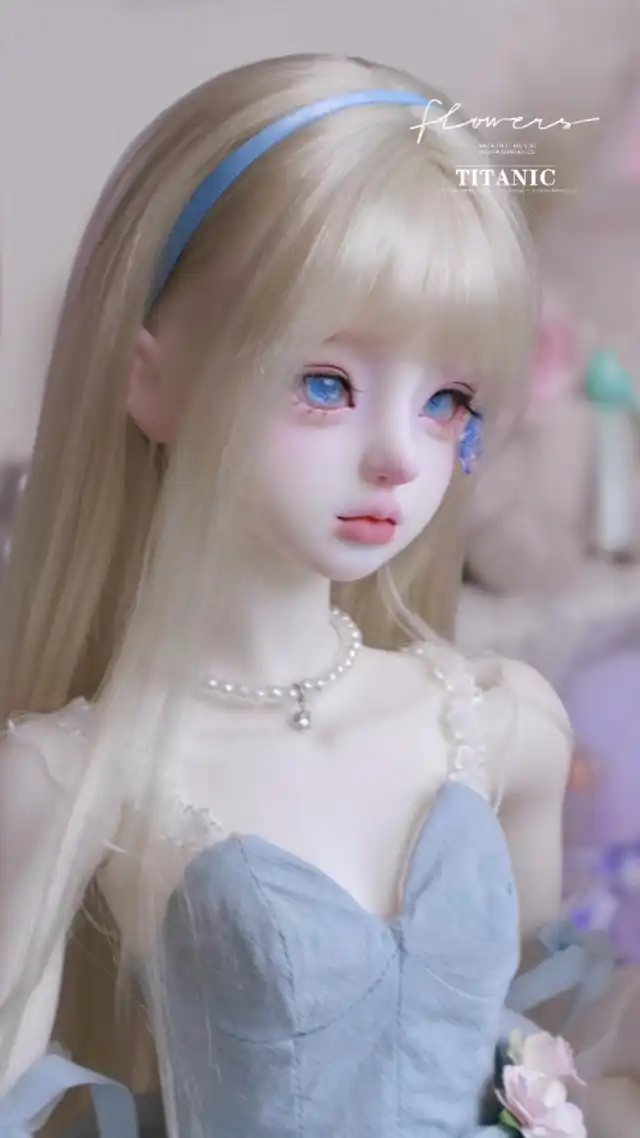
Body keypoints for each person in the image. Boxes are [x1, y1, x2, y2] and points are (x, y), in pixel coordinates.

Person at [0, 52, 629, 1138]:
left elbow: (532, 1040)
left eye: (447, 400)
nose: (398, 457)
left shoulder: (501, 722)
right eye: (326, 382)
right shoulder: (75, 777)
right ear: (151, 379)